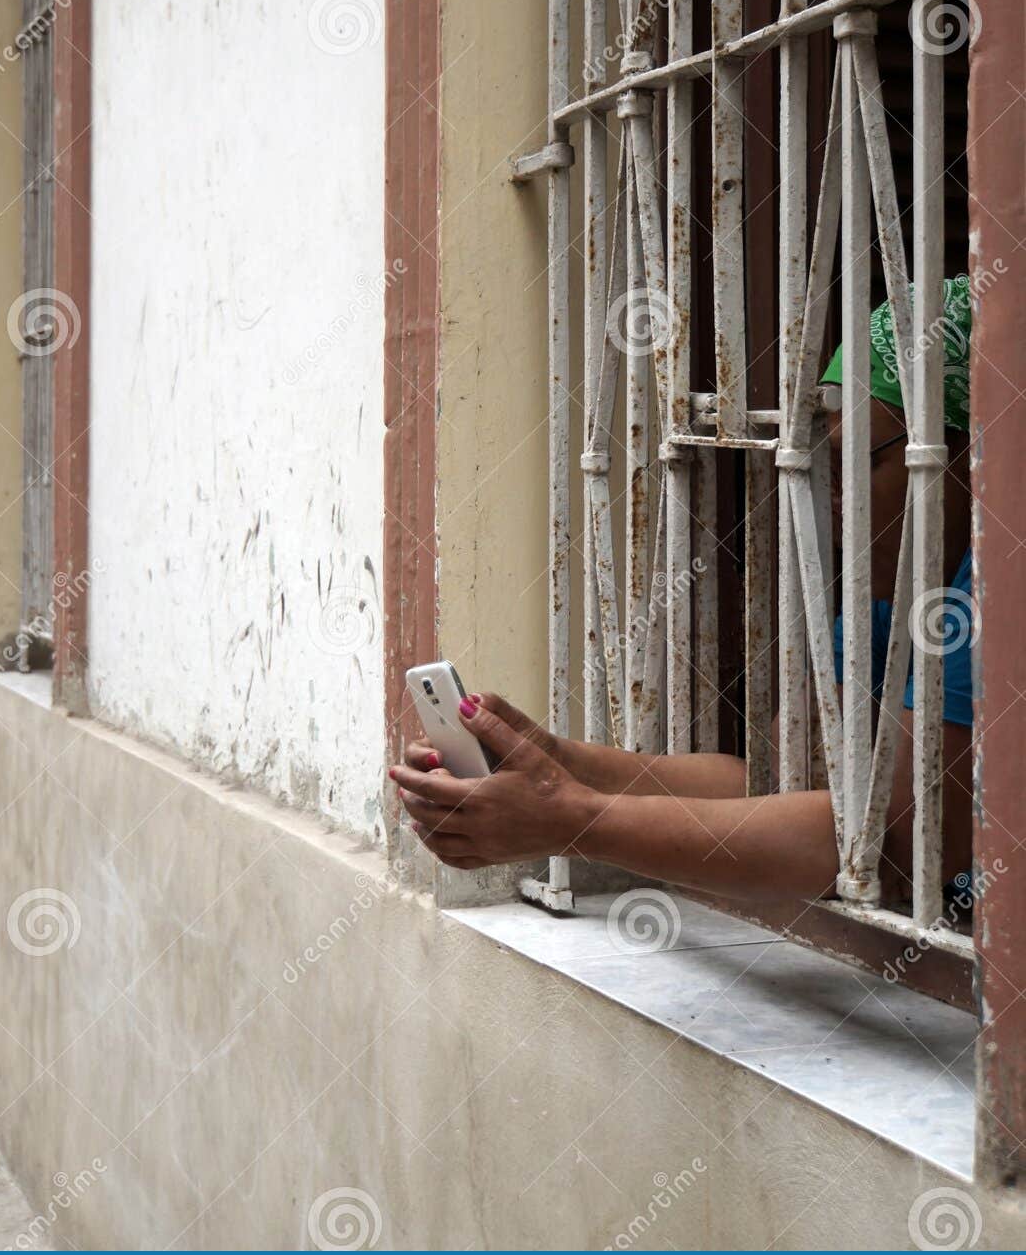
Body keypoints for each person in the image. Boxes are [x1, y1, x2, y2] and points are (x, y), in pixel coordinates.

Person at [392, 281, 976, 907]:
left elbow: (889, 840)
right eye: (828, 467)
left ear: (962, 452)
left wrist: (570, 819)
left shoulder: (986, 600)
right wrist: (552, 761)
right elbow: (783, 788)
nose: (836, 499)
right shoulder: (890, 593)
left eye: (863, 465)